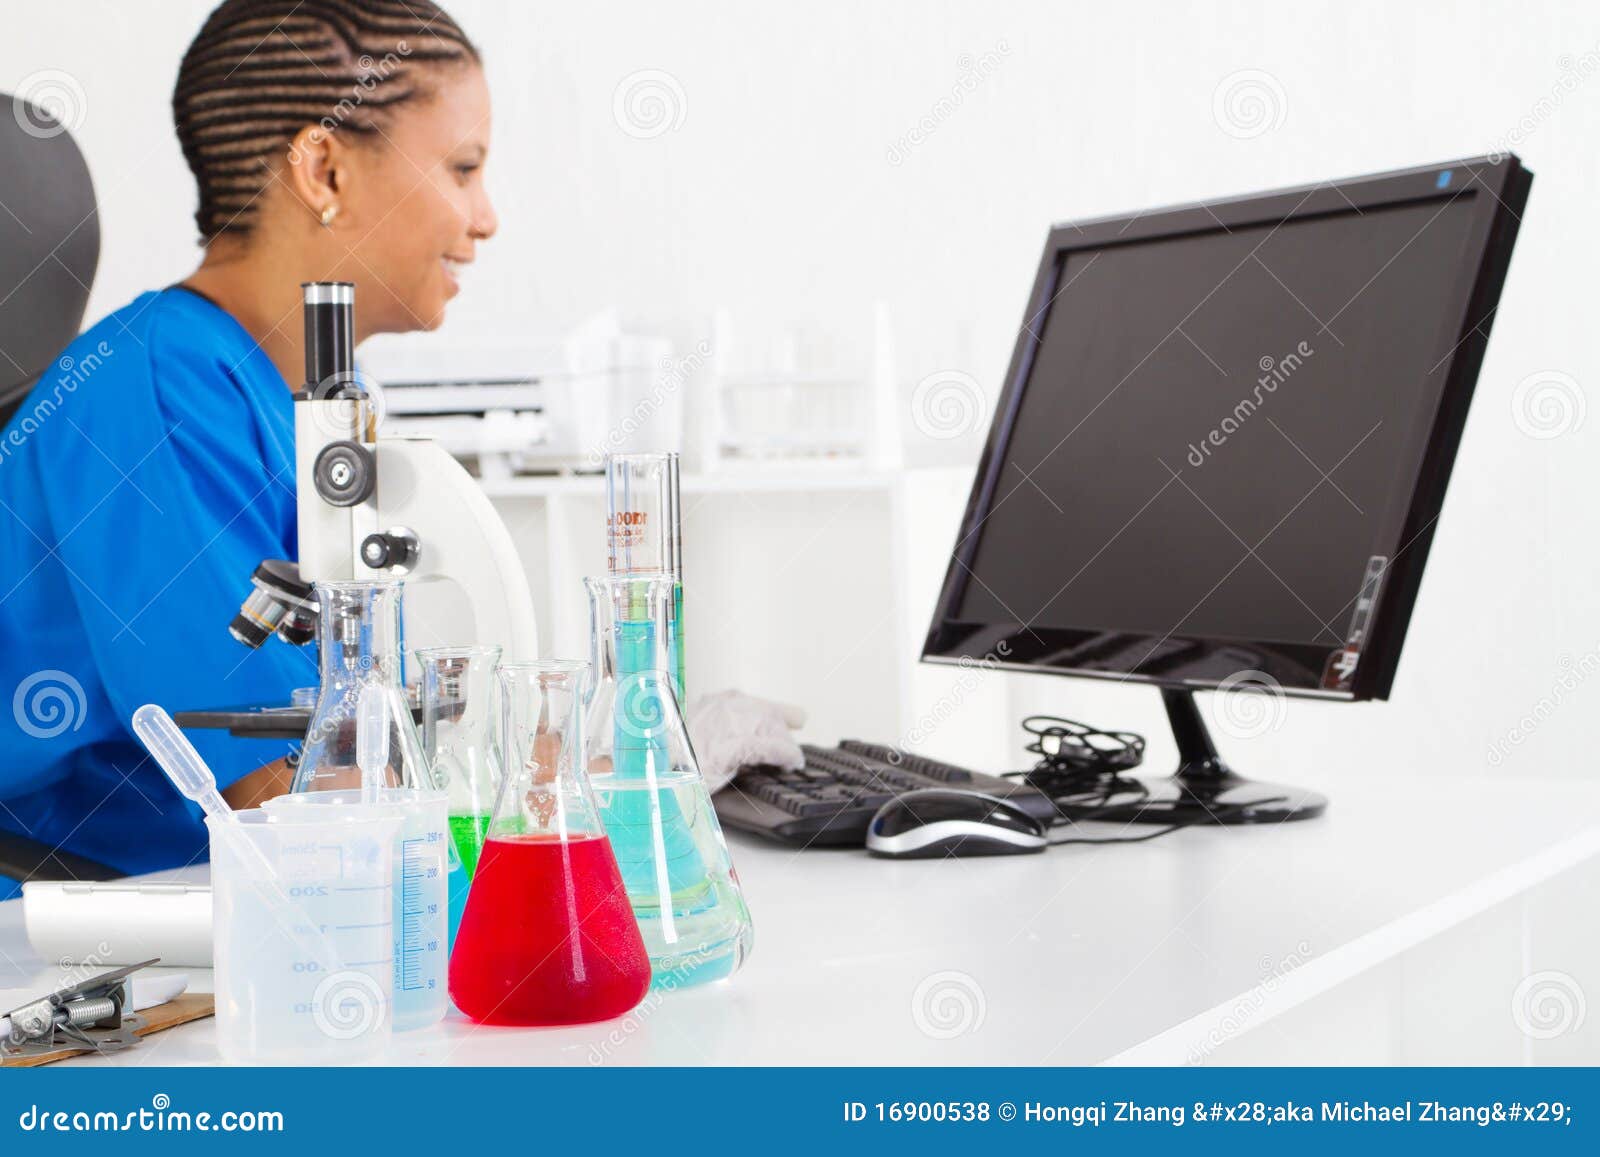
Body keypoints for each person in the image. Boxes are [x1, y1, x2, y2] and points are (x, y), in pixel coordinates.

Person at [0, 0, 497, 899]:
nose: (486, 217)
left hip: (223, 910)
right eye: (462, 169)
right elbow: (291, 799)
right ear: (324, 168)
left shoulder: (309, 405)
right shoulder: (157, 390)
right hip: (97, 928)